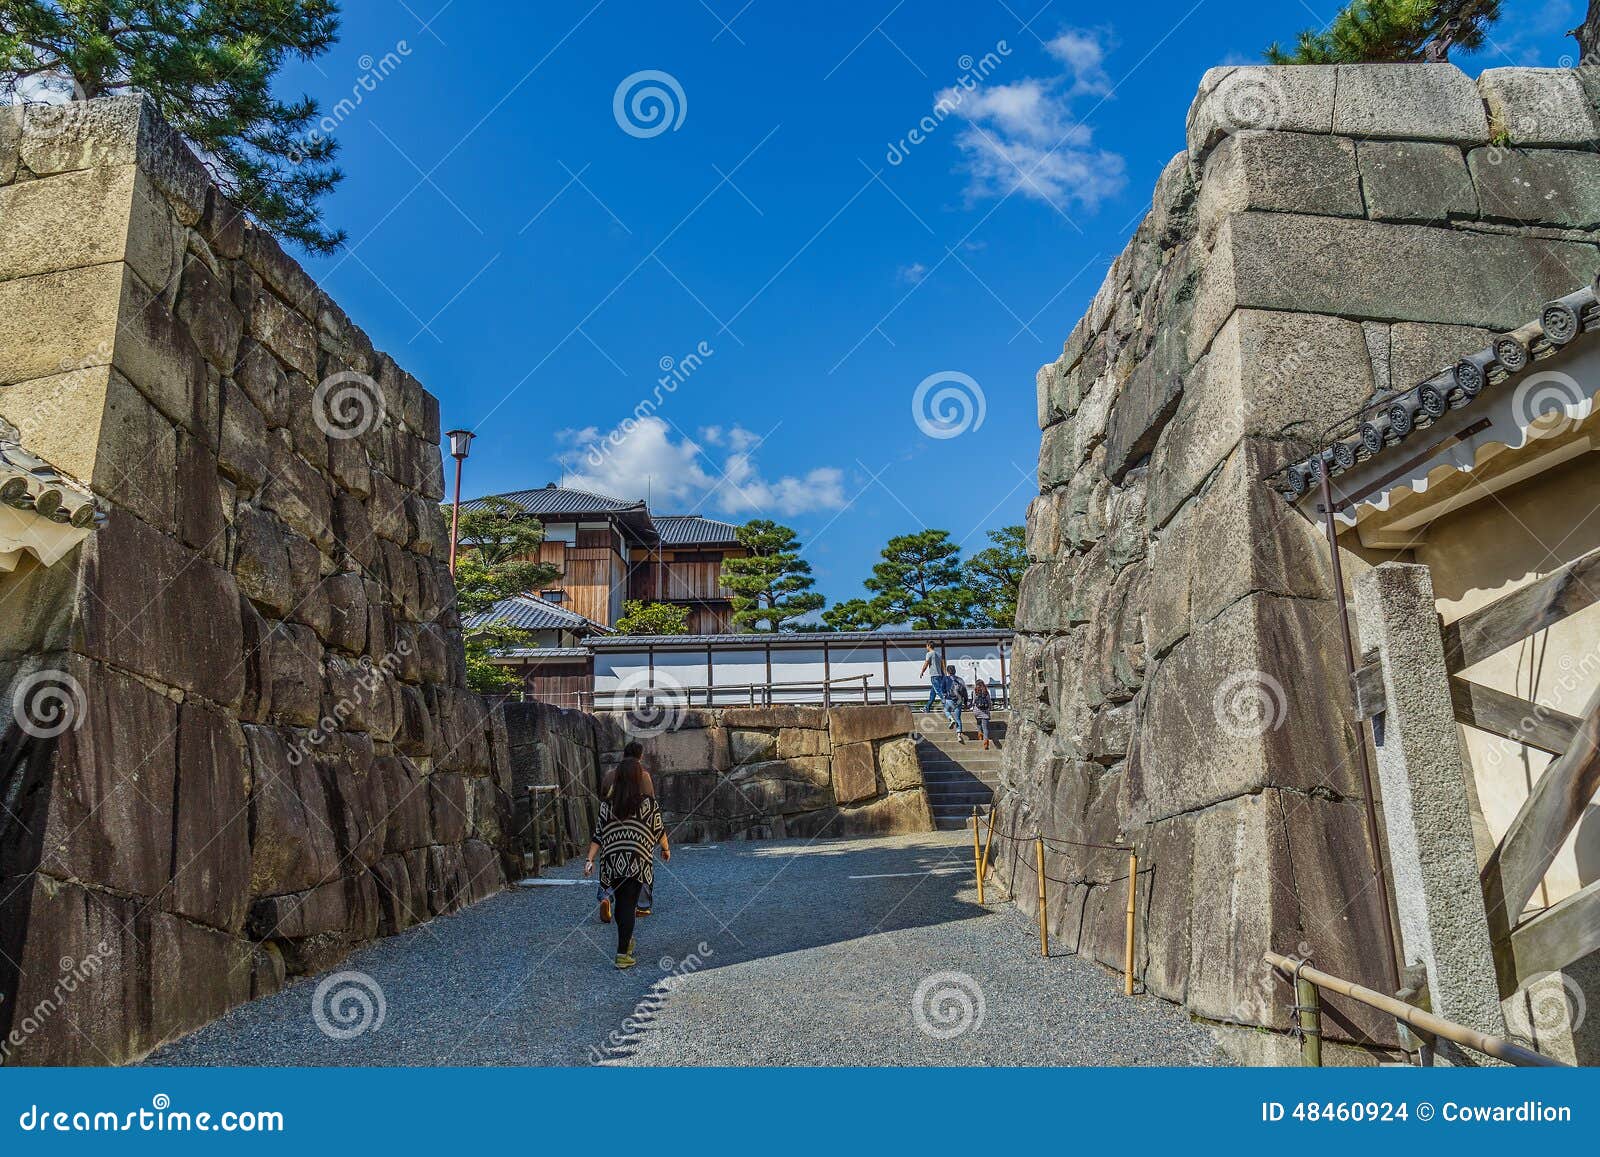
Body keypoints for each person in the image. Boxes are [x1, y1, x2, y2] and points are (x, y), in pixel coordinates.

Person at [583, 753, 669, 969]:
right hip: (637, 860)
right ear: (638, 779)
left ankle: (626, 942)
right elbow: (659, 829)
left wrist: (589, 859)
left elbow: (598, 835)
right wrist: (666, 849)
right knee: (629, 904)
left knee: (622, 903)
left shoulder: (607, 805)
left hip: (612, 861)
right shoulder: (648, 803)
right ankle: (622, 954)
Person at [597, 741, 657, 920]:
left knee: (609, 862)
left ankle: (606, 895)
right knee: (643, 863)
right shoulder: (644, 776)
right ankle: (642, 905)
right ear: (641, 756)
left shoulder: (610, 775)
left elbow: (603, 798)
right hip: (638, 831)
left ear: (624, 755)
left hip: (612, 829)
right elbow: (650, 803)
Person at [942, 664, 969, 743]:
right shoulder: (960, 679)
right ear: (955, 671)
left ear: (947, 671)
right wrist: (965, 702)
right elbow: (964, 691)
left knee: (946, 711)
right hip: (958, 701)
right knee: (958, 718)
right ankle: (959, 735)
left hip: (949, 700)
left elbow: (942, 689)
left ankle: (951, 719)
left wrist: (944, 697)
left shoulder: (945, 679)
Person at [972, 677, 995, 750]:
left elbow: (973, 702)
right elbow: (989, 701)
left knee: (979, 723)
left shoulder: (975, 692)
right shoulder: (986, 692)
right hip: (985, 712)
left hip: (977, 711)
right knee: (985, 728)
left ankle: (980, 735)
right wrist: (990, 708)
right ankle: (986, 742)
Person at [919, 643, 941, 713]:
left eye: (926, 646)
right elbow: (941, 665)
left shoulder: (929, 654)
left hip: (934, 675)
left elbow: (926, 663)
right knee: (932, 694)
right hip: (939, 675)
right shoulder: (938, 654)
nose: (926, 647)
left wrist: (922, 671)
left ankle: (949, 705)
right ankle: (927, 707)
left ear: (929, 646)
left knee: (939, 692)